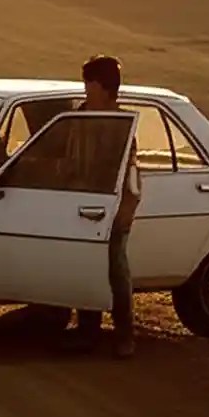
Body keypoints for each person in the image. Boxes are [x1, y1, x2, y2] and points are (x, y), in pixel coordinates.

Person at [63, 54, 142, 358]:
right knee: (84, 268)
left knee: (116, 271)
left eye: (89, 83)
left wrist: (125, 209)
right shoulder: (78, 118)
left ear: (102, 86)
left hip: (111, 208)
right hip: (81, 205)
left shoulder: (121, 125)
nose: (85, 89)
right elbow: (70, 161)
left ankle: (125, 335)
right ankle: (87, 331)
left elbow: (130, 171)